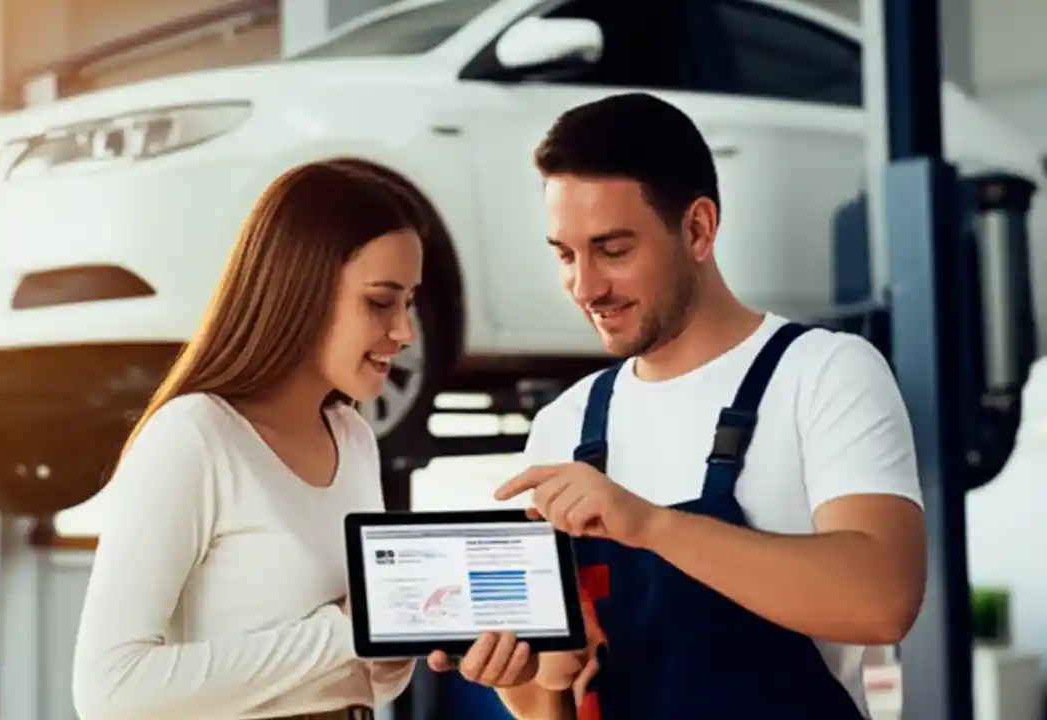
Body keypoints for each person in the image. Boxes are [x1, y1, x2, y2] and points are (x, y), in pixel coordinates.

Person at [428, 93, 927, 719]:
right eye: (564, 253)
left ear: (697, 228)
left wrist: (650, 525)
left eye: (613, 250)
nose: (586, 287)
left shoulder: (822, 372)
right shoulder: (566, 426)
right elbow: (547, 707)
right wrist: (533, 674)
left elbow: (882, 600)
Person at [71, 160, 425, 720]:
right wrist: (346, 633)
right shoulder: (195, 436)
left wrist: (403, 637)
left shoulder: (355, 440)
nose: (404, 330)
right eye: (381, 301)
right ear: (300, 289)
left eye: (410, 302)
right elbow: (110, 691)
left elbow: (366, 682)